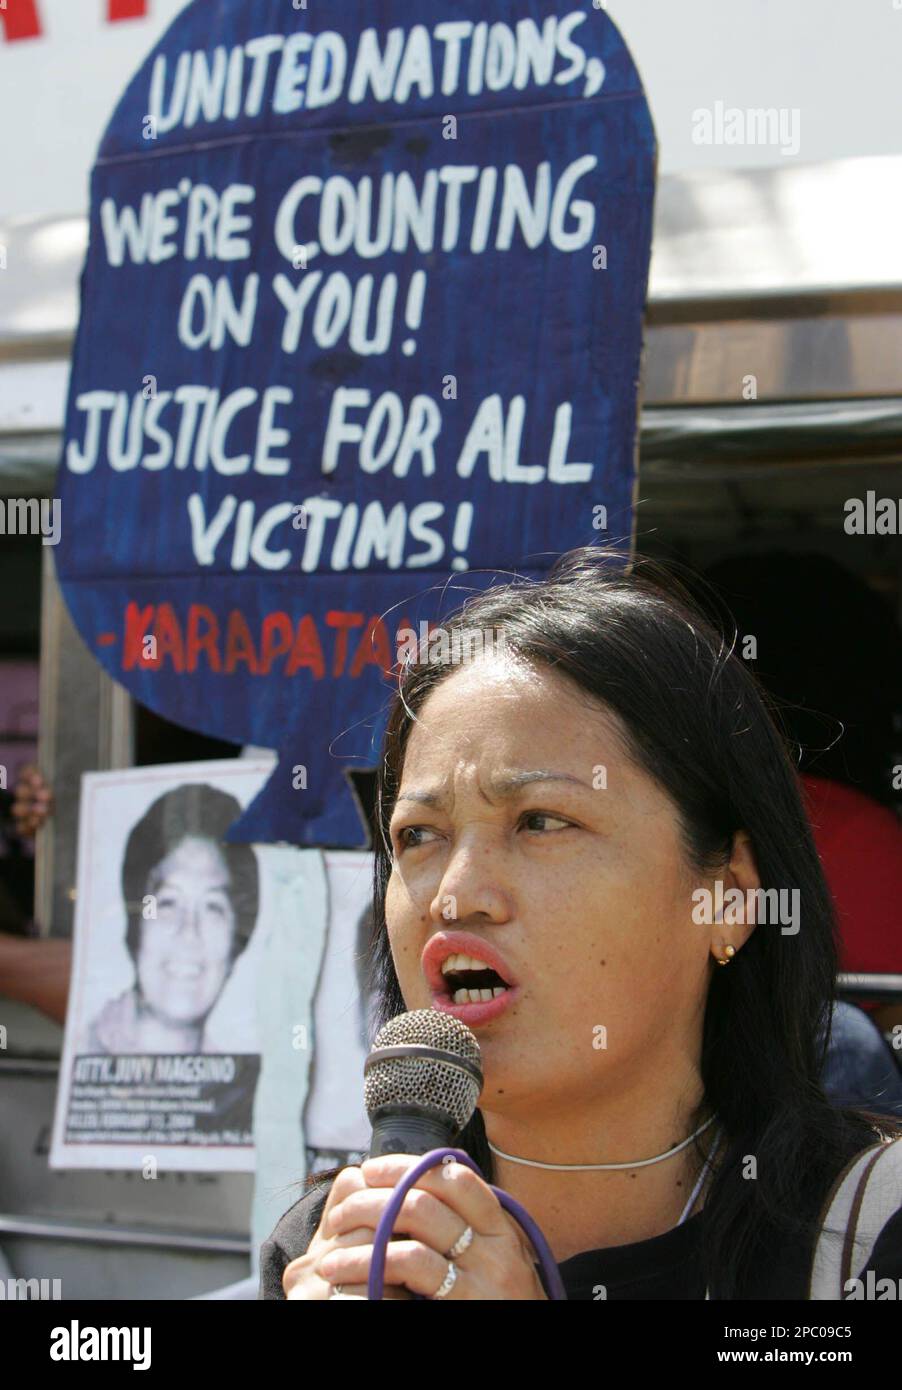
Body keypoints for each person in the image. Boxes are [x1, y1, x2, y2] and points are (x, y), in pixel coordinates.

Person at [259, 545, 902, 1300]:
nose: (456, 896)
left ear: (726, 896)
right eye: (419, 835)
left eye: (540, 821)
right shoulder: (335, 1246)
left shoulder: (869, 1240)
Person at [80, 783, 258, 1055]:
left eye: (213, 908)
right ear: (136, 925)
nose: (189, 933)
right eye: (168, 903)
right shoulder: (80, 1047)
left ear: (238, 939)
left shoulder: (254, 1088)